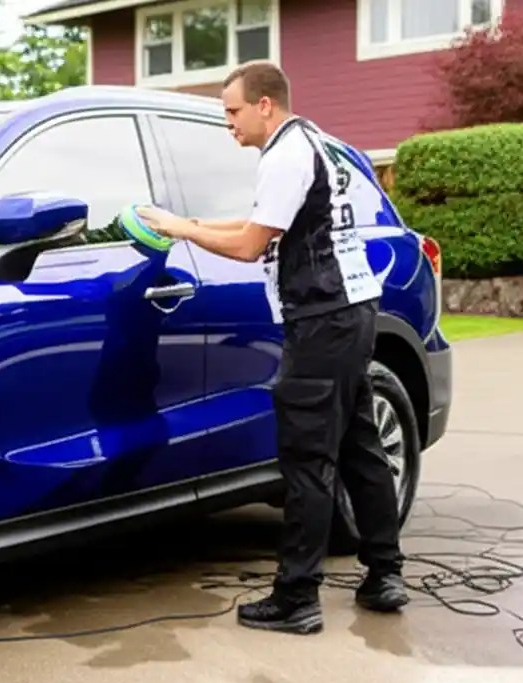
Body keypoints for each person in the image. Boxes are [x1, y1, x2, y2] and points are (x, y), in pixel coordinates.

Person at [135, 60, 409, 634]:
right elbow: (265, 224)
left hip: (322, 317)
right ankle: (385, 573)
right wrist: (190, 220)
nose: (227, 122)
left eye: (233, 110)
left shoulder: (284, 155)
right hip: (353, 311)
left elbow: (250, 246)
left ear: (265, 105)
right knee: (360, 442)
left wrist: (182, 230)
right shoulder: (314, 144)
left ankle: (297, 597)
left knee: (307, 458)